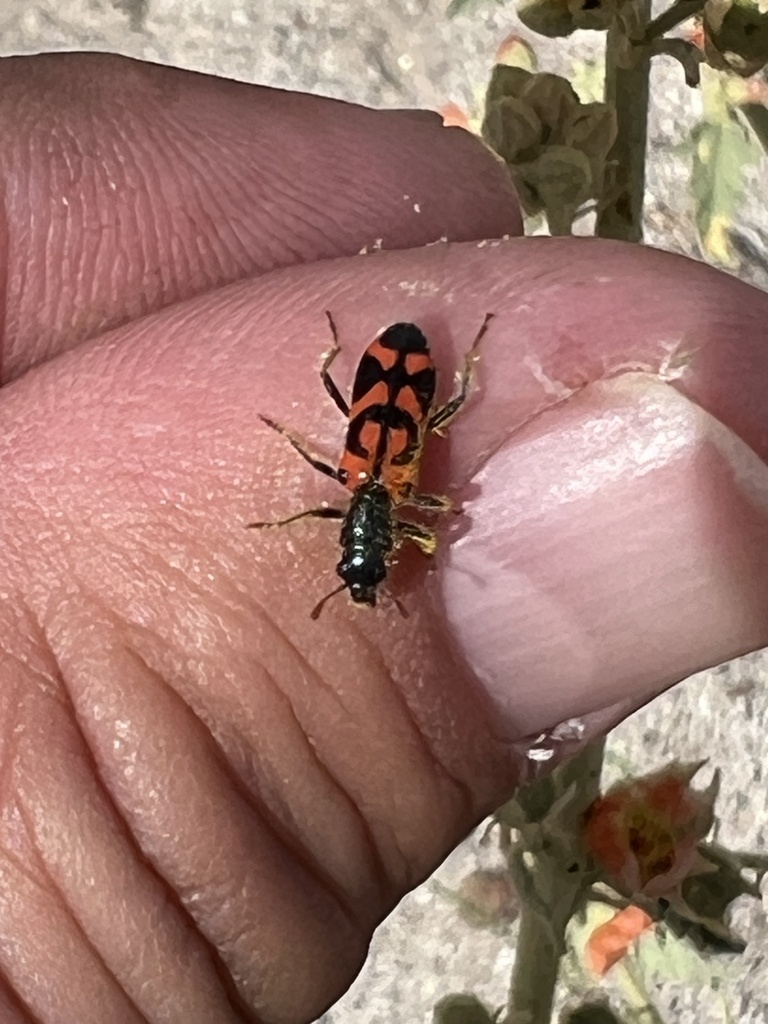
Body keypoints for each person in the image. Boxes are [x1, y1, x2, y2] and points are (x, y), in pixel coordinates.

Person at [1, 51, 767, 1024]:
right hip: (389, 383)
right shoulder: (381, 486)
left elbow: (394, 494)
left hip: (384, 372)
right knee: (425, 420)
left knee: (423, 418)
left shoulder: (372, 483)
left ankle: (419, 356)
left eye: (364, 556)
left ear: (366, 530)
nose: (367, 557)